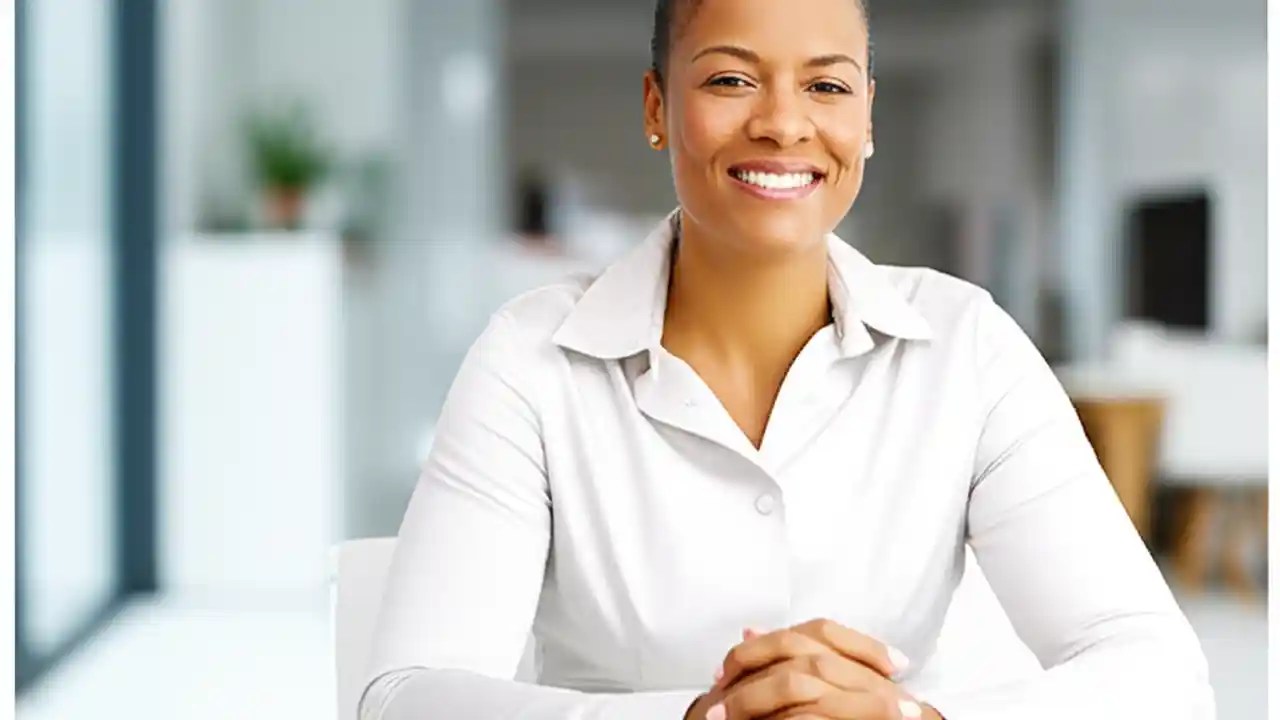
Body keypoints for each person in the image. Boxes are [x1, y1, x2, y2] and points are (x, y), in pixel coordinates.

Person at [359, 0, 1214, 717]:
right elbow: (404, 698)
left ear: (867, 119)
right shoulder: (531, 358)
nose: (782, 122)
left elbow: (1163, 678)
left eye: (827, 85)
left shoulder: (968, 346)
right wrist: (701, 715)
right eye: (730, 79)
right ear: (657, 107)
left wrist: (917, 719)